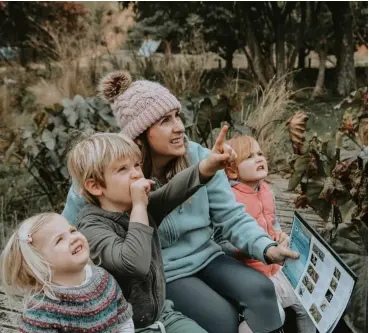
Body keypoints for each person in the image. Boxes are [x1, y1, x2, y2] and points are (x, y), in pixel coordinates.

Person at [63, 71, 299, 333]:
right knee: (222, 318)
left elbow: (232, 216)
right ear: (140, 133)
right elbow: (70, 230)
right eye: (165, 120)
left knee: (262, 290)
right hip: (163, 272)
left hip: (208, 256)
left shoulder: (199, 155)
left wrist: (266, 247)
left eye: (177, 115)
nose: (179, 126)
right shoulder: (112, 176)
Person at [67, 130, 236, 333]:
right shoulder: (92, 228)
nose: (137, 173)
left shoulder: (138, 208)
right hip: (124, 327)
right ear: (95, 186)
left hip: (161, 314)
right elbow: (134, 263)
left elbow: (172, 192)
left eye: (136, 165)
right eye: (122, 169)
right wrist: (139, 206)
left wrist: (208, 165)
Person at [223, 135, 316, 333]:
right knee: (273, 316)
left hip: (275, 270)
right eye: (249, 156)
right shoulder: (229, 198)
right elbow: (223, 242)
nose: (259, 158)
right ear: (231, 170)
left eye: (260, 154)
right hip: (251, 275)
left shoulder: (266, 190)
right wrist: (250, 250)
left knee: (308, 303)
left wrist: (280, 234)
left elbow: (273, 222)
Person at [0, 213, 134, 333]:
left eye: (72, 230)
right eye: (59, 240)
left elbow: (123, 320)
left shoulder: (104, 280)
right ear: (39, 262)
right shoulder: (43, 310)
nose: (73, 238)